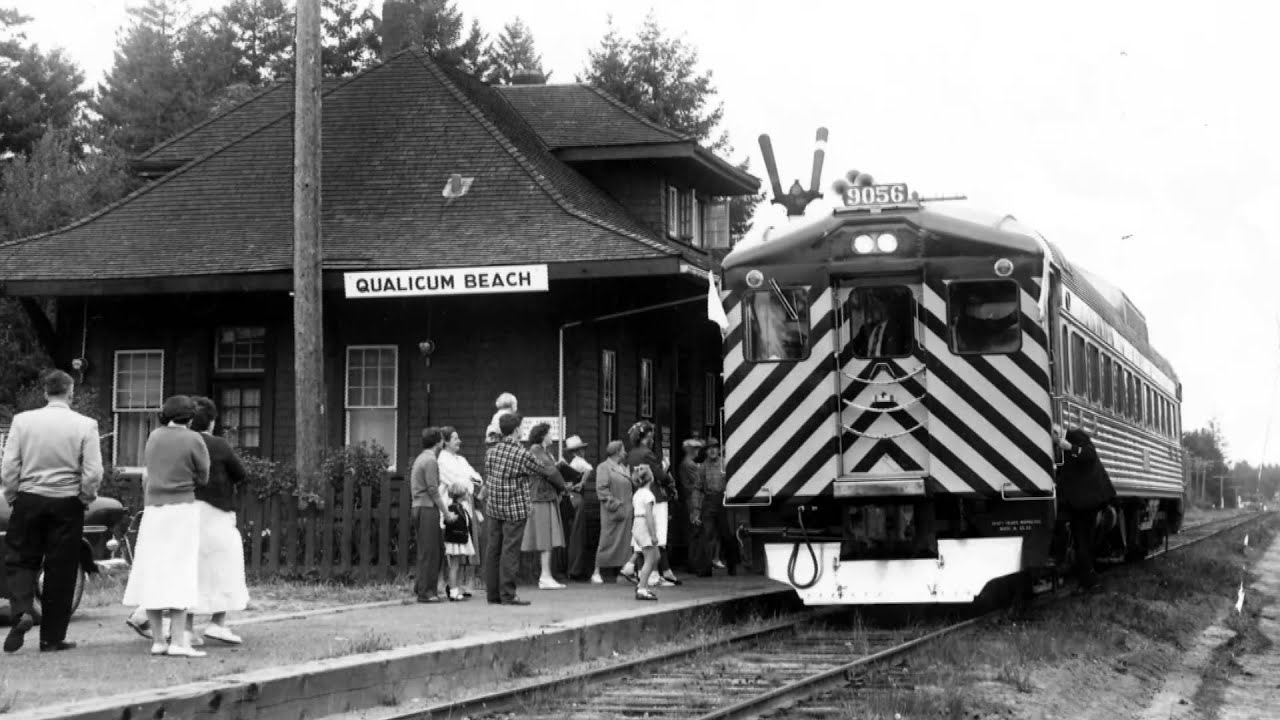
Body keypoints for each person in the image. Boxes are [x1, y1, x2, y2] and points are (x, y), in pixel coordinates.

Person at [125, 396, 249, 644]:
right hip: (213, 511)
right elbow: (239, 474)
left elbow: (149, 475)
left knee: (183, 568)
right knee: (222, 567)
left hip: (171, 509)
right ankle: (216, 622)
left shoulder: (161, 439)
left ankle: (181, 628)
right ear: (211, 422)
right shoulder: (216, 445)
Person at [1, 369, 103, 653]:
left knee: (20, 559)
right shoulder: (86, 425)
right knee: (61, 569)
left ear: (45, 392)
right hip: (66, 501)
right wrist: (84, 497)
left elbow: (9, 466)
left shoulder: (22, 422)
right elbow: (93, 472)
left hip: (29, 497)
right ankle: (52, 637)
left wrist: (12, 495)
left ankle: (21, 610)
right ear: (71, 393)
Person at [122, 395, 211, 658]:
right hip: (181, 508)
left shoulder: (153, 437)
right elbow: (204, 474)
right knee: (180, 571)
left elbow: (148, 471)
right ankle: (178, 641)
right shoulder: (194, 439)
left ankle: (158, 640)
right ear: (190, 417)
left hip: (153, 510)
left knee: (153, 570)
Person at [482, 412, 546, 606]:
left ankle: (492, 594)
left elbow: (489, 475)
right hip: (514, 508)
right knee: (510, 551)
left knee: (493, 550)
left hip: (494, 506)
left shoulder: (491, 452)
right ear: (517, 429)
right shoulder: (521, 453)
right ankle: (508, 594)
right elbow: (540, 469)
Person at [1054, 424, 1117, 592]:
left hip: (1088, 500)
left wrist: (1070, 448)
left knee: (1082, 541)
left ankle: (1090, 582)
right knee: (1081, 541)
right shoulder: (1059, 445)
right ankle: (1087, 581)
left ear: (1057, 431)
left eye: (1053, 434)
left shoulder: (1076, 436)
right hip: (1077, 502)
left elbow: (1089, 455)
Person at [620, 422, 680, 587]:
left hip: (638, 495)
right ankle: (653, 575)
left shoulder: (631, 454)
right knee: (658, 537)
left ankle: (637, 569)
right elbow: (660, 475)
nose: (653, 439)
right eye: (652, 436)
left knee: (643, 537)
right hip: (655, 497)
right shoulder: (647, 454)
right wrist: (666, 470)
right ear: (647, 437)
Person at [522, 423, 568, 590]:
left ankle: (546, 575)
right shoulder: (536, 451)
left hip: (545, 496)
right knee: (545, 536)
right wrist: (564, 486)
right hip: (540, 497)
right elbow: (550, 472)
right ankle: (545, 576)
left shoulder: (543, 452)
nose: (551, 437)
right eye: (549, 434)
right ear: (542, 436)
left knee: (547, 536)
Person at [411, 427, 453, 603]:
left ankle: (421, 586)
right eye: (442, 439)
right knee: (431, 551)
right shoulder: (430, 461)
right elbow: (433, 489)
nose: (443, 442)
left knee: (430, 549)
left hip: (419, 507)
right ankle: (427, 592)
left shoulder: (421, 458)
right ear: (438, 442)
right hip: (427, 508)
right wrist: (446, 513)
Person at [438, 426, 480, 601]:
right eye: (455, 438)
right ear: (445, 442)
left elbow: (476, 477)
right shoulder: (442, 461)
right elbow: (456, 483)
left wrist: (470, 481)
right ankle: (446, 585)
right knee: (451, 548)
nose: (459, 441)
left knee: (463, 546)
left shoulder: (461, 460)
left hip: (465, 507)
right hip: (450, 508)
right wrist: (468, 482)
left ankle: (458, 585)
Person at [690, 437, 739, 576]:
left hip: (723, 501)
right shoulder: (703, 467)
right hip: (709, 501)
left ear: (719, 449)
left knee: (727, 535)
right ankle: (705, 569)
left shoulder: (725, 464)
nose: (712, 450)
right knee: (706, 534)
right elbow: (697, 488)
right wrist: (695, 509)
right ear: (706, 451)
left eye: (715, 447)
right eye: (709, 448)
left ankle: (732, 566)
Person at [562, 436, 601, 582]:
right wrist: (582, 482)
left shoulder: (572, 463)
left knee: (574, 534)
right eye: (582, 448)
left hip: (572, 498)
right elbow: (589, 469)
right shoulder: (579, 462)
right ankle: (575, 569)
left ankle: (574, 568)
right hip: (577, 498)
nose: (584, 451)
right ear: (578, 450)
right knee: (577, 534)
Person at [594, 440, 633, 583]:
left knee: (624, 542)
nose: (625, 452)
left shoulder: (623, 467)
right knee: (606, 540)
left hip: (626, 511)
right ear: (617, 451)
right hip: (612, 511)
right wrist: (615, 503)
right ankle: (596, 572)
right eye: (623, 449)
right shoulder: (604, 467)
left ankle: (622, 574)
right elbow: (601, 489)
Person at [631, 465, 660, 602]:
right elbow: (648, 515)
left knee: (655, 556)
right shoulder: (649, 495)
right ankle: (642, 588)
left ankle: (642, 584)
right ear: (651, 478)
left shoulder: (637, 493)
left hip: (636, 524)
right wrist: (653, 534)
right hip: (644, 525)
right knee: (649, 559)